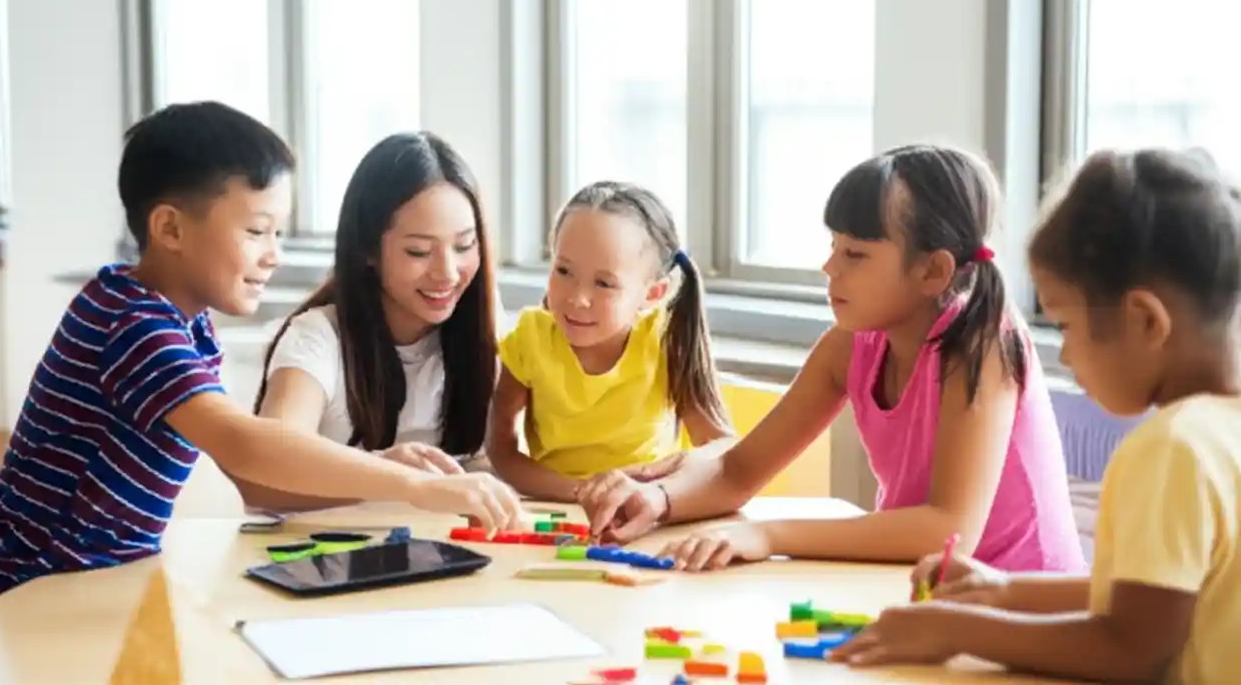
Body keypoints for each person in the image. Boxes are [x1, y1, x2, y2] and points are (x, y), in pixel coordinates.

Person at [0, 102, 522, 614]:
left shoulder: (187, 324)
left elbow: (247, 458)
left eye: (278, 233)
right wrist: (413, 485)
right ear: (170, 227)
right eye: (256, 231)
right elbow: (245, 446)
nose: (274, 255)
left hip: (99, 586)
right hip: (28, 596)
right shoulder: (130, 324)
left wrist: (395, 474)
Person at [830, 148, 1241, 684]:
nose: (1064, 356)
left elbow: (1130, 647)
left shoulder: (1172, 449)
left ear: (1144, 320)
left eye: (1066, 326)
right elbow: (1152, 600)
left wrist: (958, 631)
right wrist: (1005, 590)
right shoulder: (1220, 434)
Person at [580, 145, 1084, 574]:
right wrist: (659, 500)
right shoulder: (849, 346)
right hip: (922, 589)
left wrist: (770, 535)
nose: (828, 267)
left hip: (1021, 608)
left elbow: (948, 530)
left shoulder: (982, 346)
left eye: (855, 254)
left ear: (933, 272)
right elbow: (738, 470)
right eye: (833, 246)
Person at [231, 132, 500, 512]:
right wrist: (390, 476)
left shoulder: (488, 335)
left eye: (464, 245)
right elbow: (262, 477)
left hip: (439, 543)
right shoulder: (317, 338)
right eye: (418, 251)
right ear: (367, 250)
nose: (448, 272)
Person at [488, 182, 735, 502]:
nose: (578, 298)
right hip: (559, 512)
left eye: (604, 283)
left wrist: (656, 490)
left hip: (648, 512)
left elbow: (722, 447)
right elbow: (501, 451)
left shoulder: (666, 342)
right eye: (563, 270)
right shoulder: (529, 339)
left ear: (653, 293)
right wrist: (581, 492)